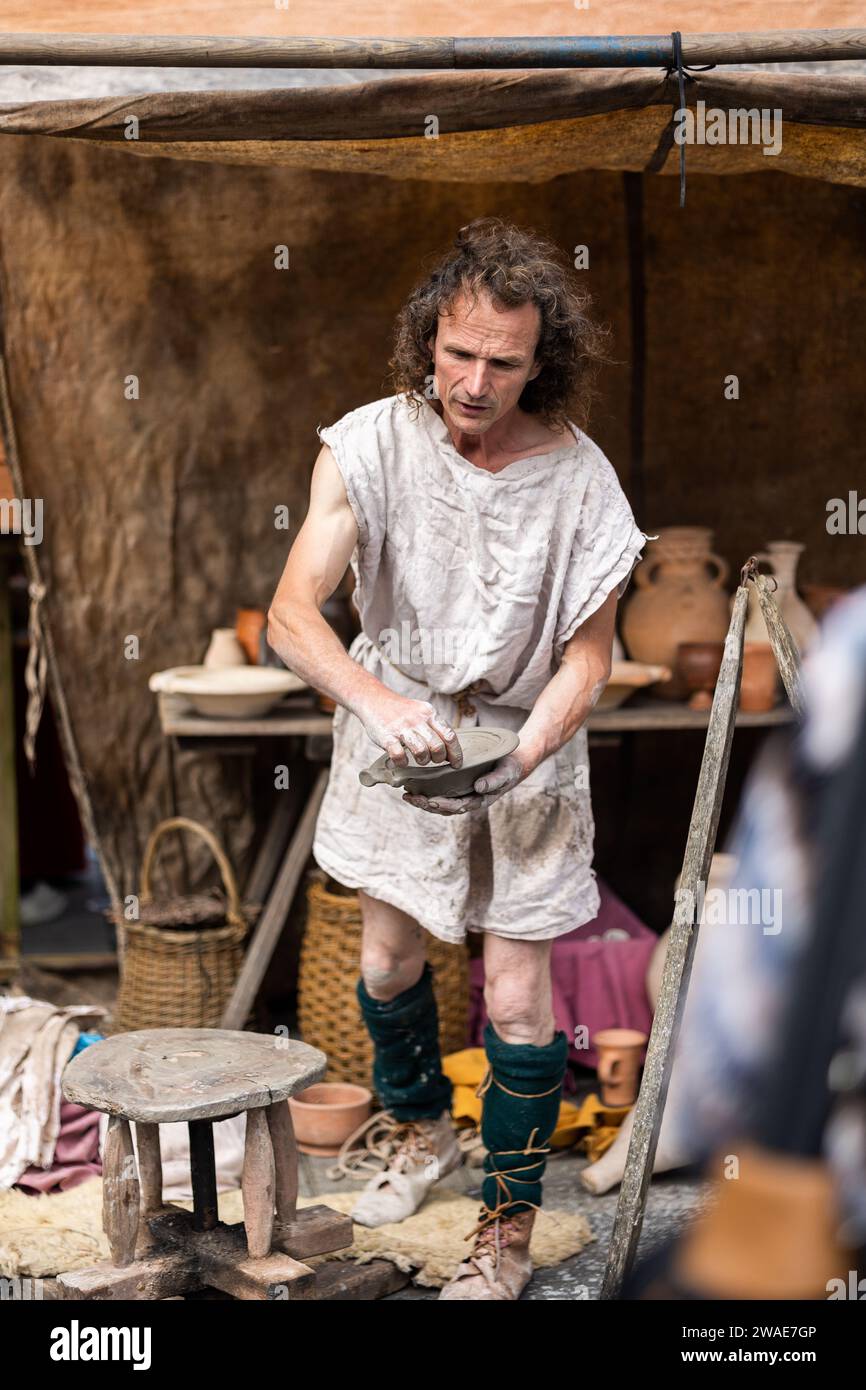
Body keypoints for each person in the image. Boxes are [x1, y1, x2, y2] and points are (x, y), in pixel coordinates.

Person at [268, 217, 648, 1300]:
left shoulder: (580, 481)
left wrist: (523, 752)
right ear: (427, 337)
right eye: (457, 352)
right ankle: (426, 1127)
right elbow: (291, 616)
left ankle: (507, 1225)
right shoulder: (367, 444)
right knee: (385, 966)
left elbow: (589, 658)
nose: (473, 381)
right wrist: (378, 701)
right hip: (399, 729)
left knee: (521, 1004)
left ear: (541, 363)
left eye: (502, 361)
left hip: (528, 744)